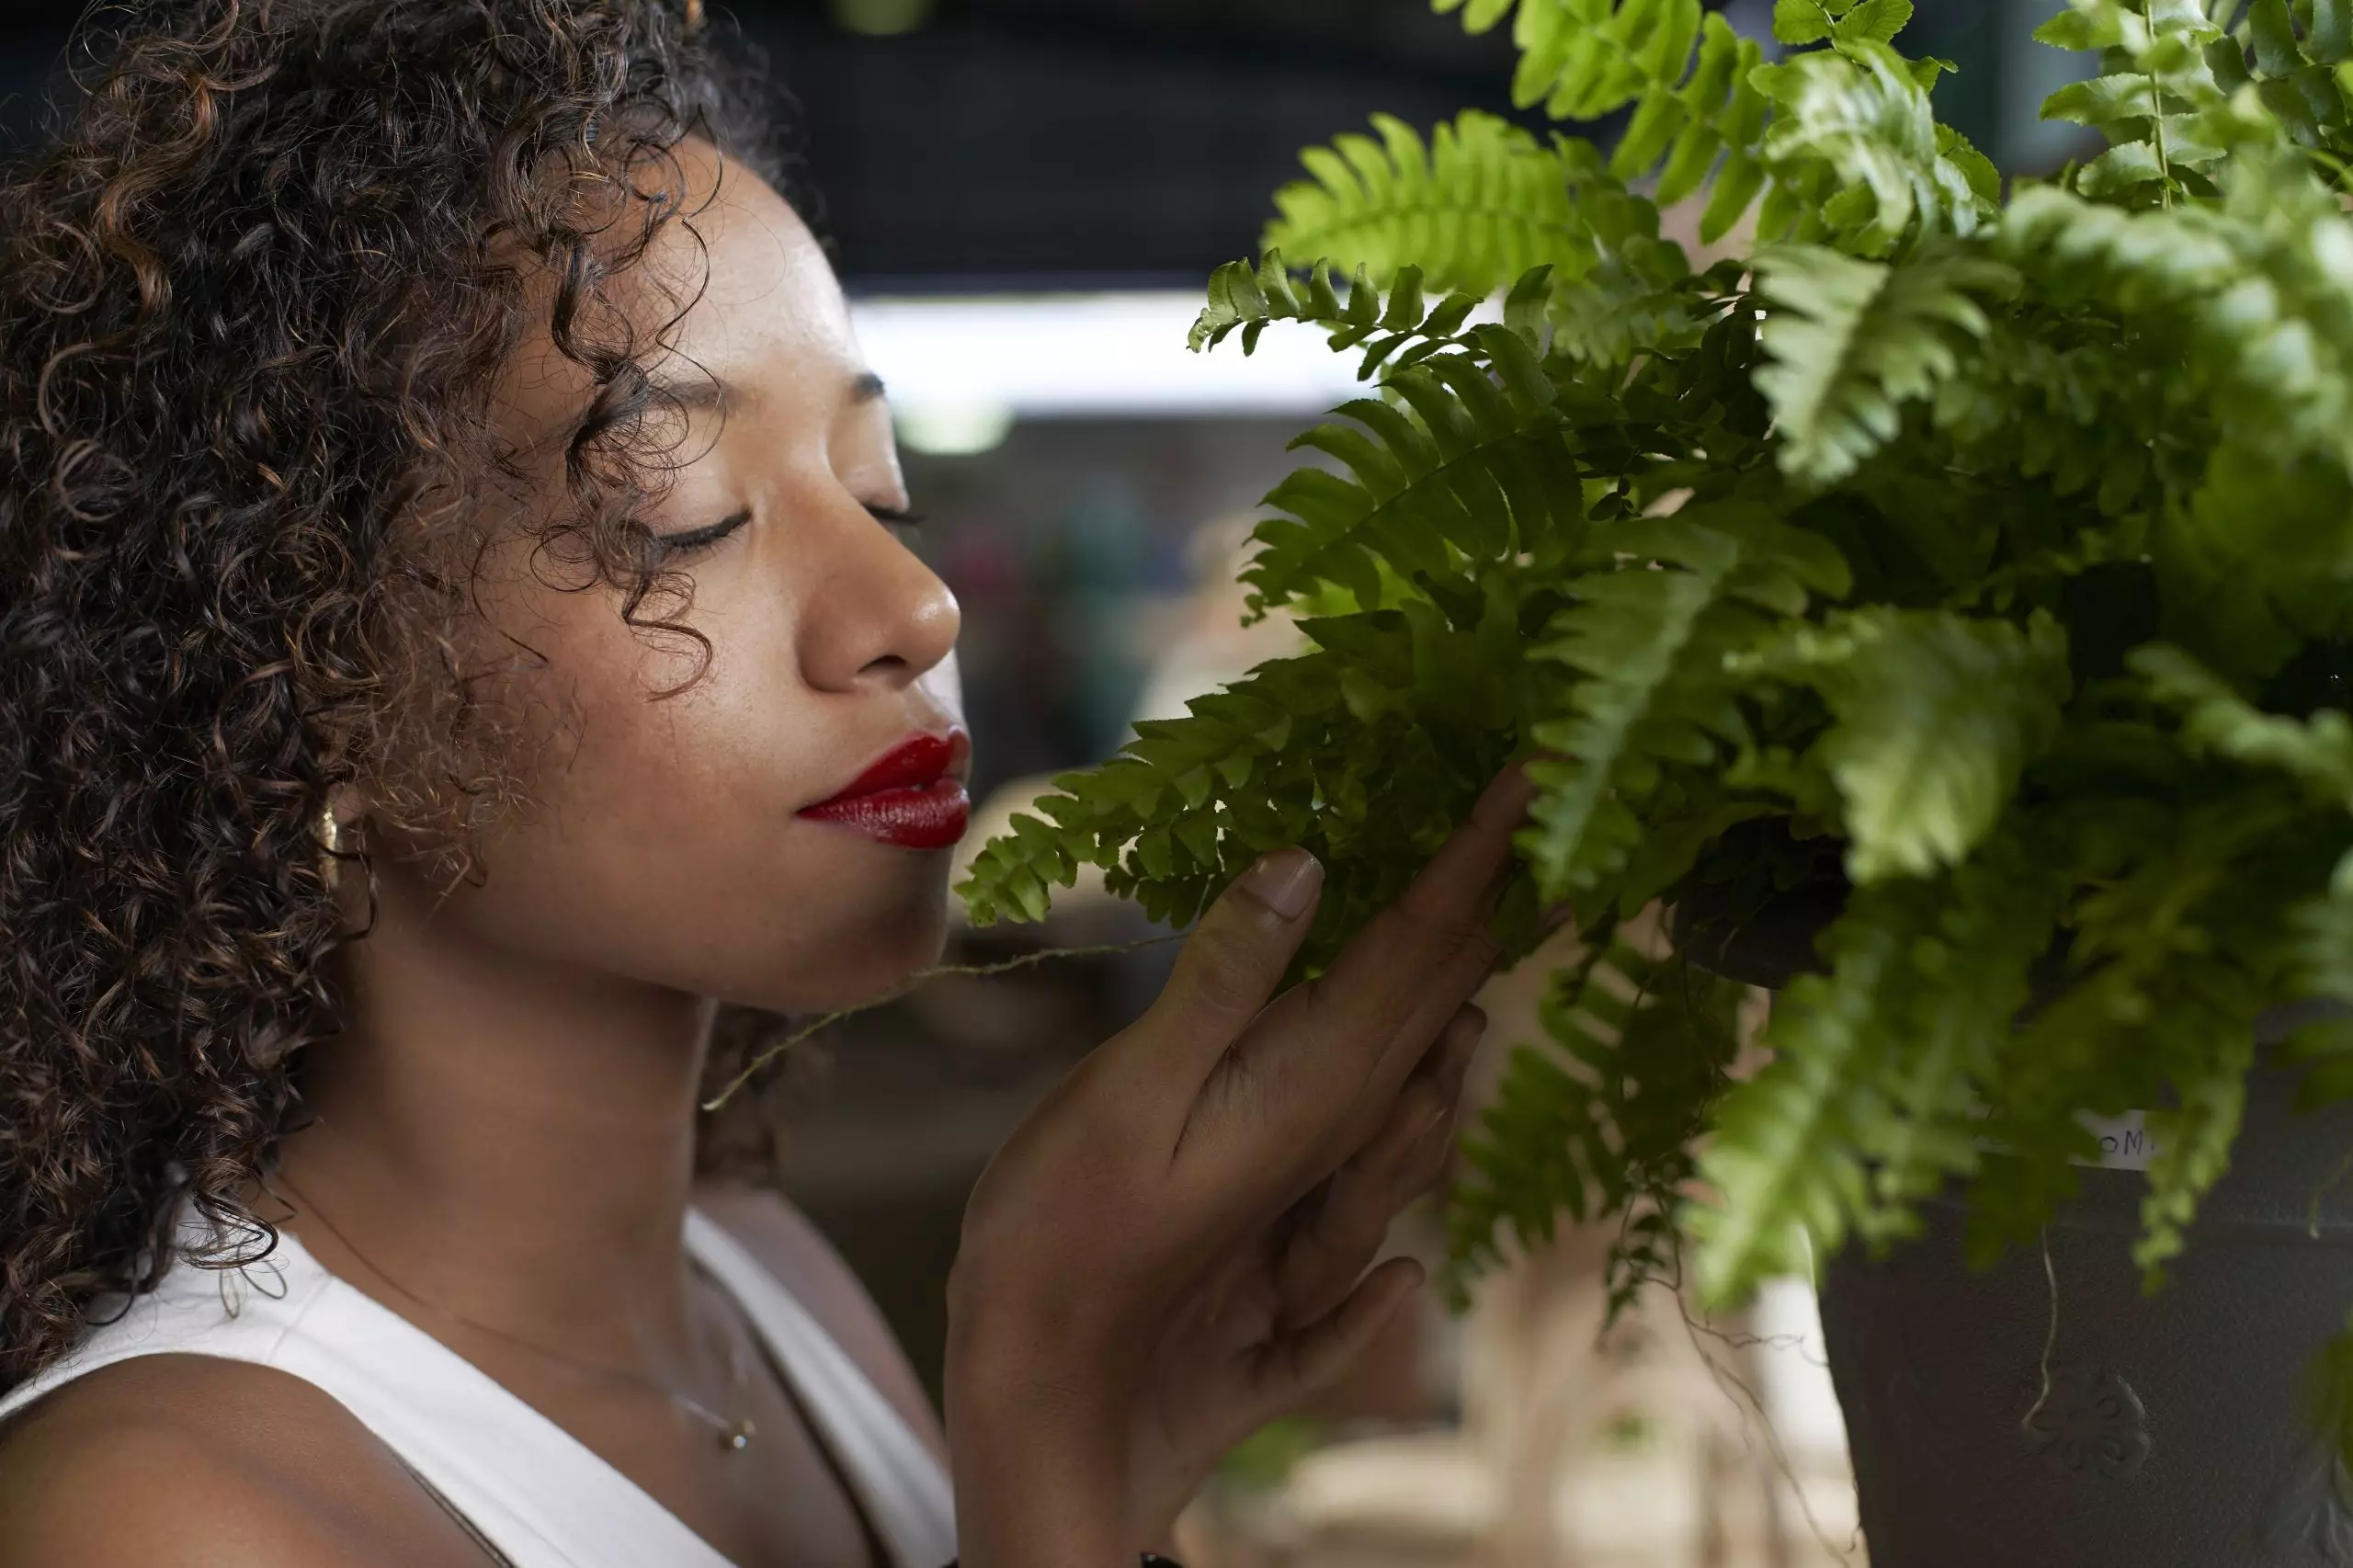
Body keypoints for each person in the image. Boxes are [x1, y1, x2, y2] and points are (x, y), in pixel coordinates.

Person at [0, 4, 1528, 1564]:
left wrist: (1115, 1467)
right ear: (314, 674)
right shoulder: (173, 1513)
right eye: (690, 514)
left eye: (881, 488)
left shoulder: (766, 1281)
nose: (915, 609)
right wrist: (1044, 1402)